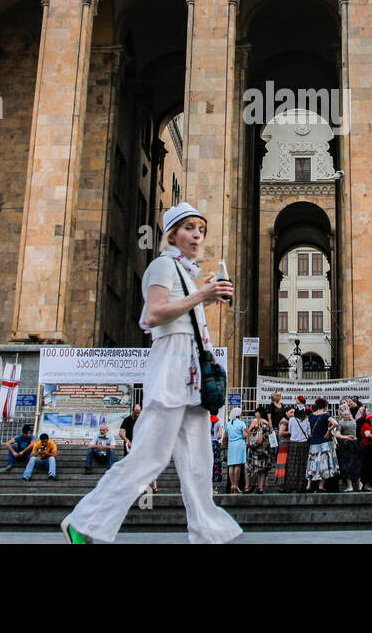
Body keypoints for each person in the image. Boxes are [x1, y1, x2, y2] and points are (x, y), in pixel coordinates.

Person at [60, 202, 242, 544]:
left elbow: (181, 316)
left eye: (201, 230)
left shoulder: (185, 273)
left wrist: (205, 297)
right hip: (171, 370)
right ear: (172, 235)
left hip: (192, 376)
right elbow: (152, 316)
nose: (197, 235)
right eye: (189, 228)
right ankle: (83, 523)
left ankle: (209, 533)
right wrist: (201, 295)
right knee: (148, 458)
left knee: (199, 462)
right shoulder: (162, 266)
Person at [305, 398, 339, 491]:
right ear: (325, 406)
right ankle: (321, 485)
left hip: (313, 442)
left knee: (312, 463)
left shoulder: (311, 416)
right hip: (324, 442)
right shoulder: (326, 415)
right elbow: (335, 423)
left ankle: (309, 485)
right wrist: (328, 431)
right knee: (324, 464)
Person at [284, 404, 312, 492]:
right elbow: (309, 433)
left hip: (293, 444)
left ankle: (291, 485)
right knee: (302, 465)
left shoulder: (291, 420)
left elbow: (290, 431)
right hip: (304, 444)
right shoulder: (306, 421)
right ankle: (301, 486)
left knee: (292, 465)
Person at [245, 408, 273, 493]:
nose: (255, 414)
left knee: (251, 467)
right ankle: (260, 487)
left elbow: (249, 432)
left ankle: (248, 486)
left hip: (256, 448)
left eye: (256, 412)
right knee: (263, 469)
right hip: (265, 448)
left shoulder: (256, 421)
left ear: (259, 413)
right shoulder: (267, 423)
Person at [334, 402, 361, 491]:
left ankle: (350, 486)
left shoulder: (341, 422)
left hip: (346, 445)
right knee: (356, 464)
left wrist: (346, 437)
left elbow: (337, 435)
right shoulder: (353, 421)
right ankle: (359, 484)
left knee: (347, 464)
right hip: (355, 443)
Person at [225, 407, 248, 494]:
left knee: (231, 465)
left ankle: (232, 485)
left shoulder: (228, 424)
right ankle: (236, 485)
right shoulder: (242, 423)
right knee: (238, 465)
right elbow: (245, 435)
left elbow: (226, 435)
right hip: (239, 444)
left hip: (231, 445)